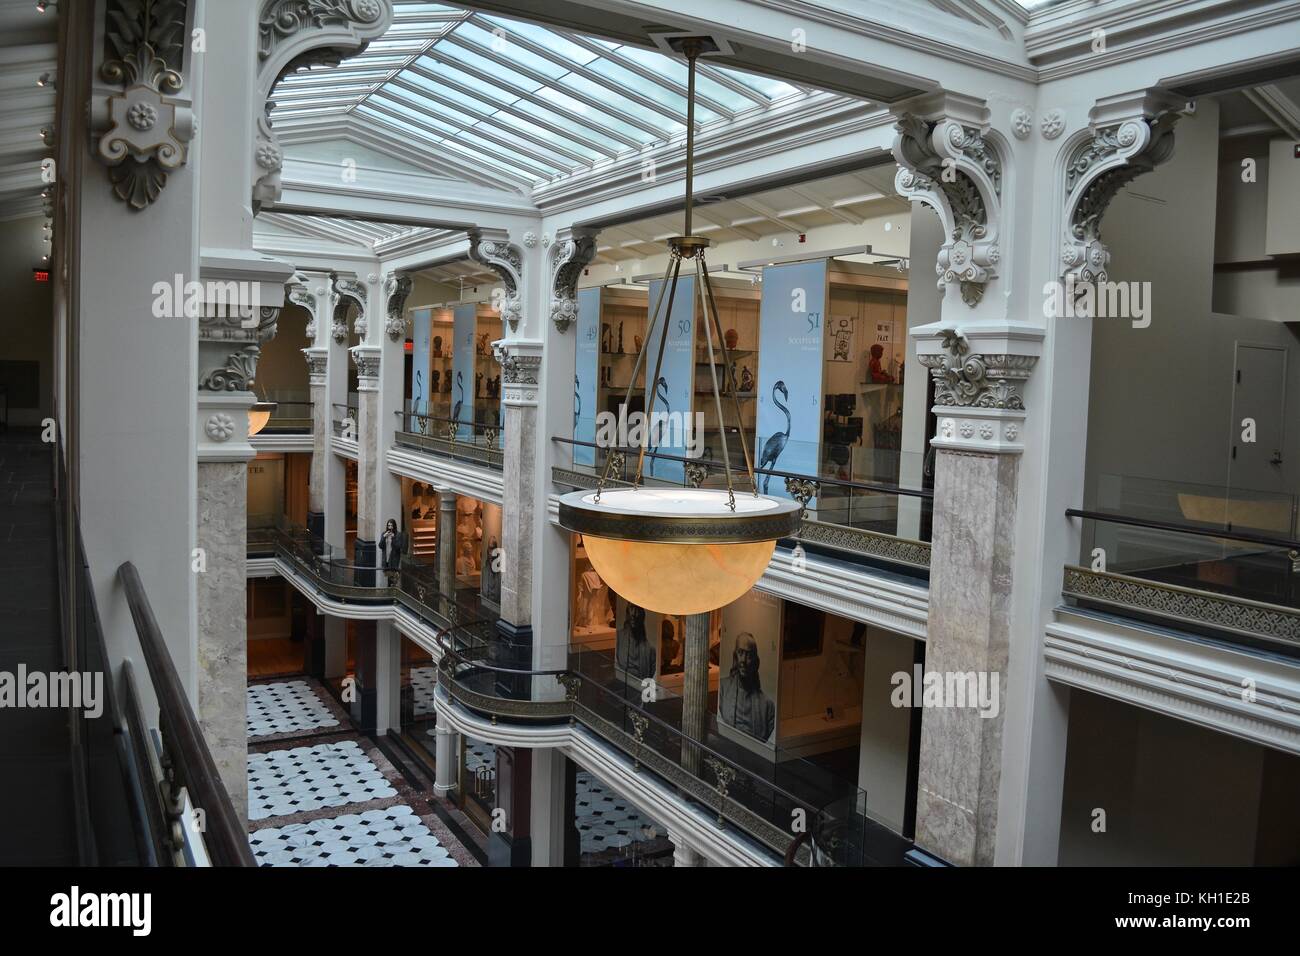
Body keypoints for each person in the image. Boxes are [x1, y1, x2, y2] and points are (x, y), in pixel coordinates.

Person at [719, 632, 776, 742]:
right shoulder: (723, 689)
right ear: (735, 656)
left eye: (749, 655)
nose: (743, 660)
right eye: (740, 653)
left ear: (755, 662)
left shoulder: (768, 706)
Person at [616, 602, 656, 681]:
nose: (634, 614)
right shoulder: (618, 638)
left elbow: (649, 675)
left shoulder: (650, 650)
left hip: (638, 688)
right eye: (631, 609)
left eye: (637, 610)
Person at [379, 518, 406, 586]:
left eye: (391, 526)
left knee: (392, 579)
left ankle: (392, 592)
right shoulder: (384, 534)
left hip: (394, 560)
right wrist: (384, 537)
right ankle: (390, 592)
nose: (390, 527)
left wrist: (393, 538)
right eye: (388, 525)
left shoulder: (398, 535)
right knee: (389, 578)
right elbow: (380, 546)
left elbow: (398, 547)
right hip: (386, 560)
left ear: (394, 526)